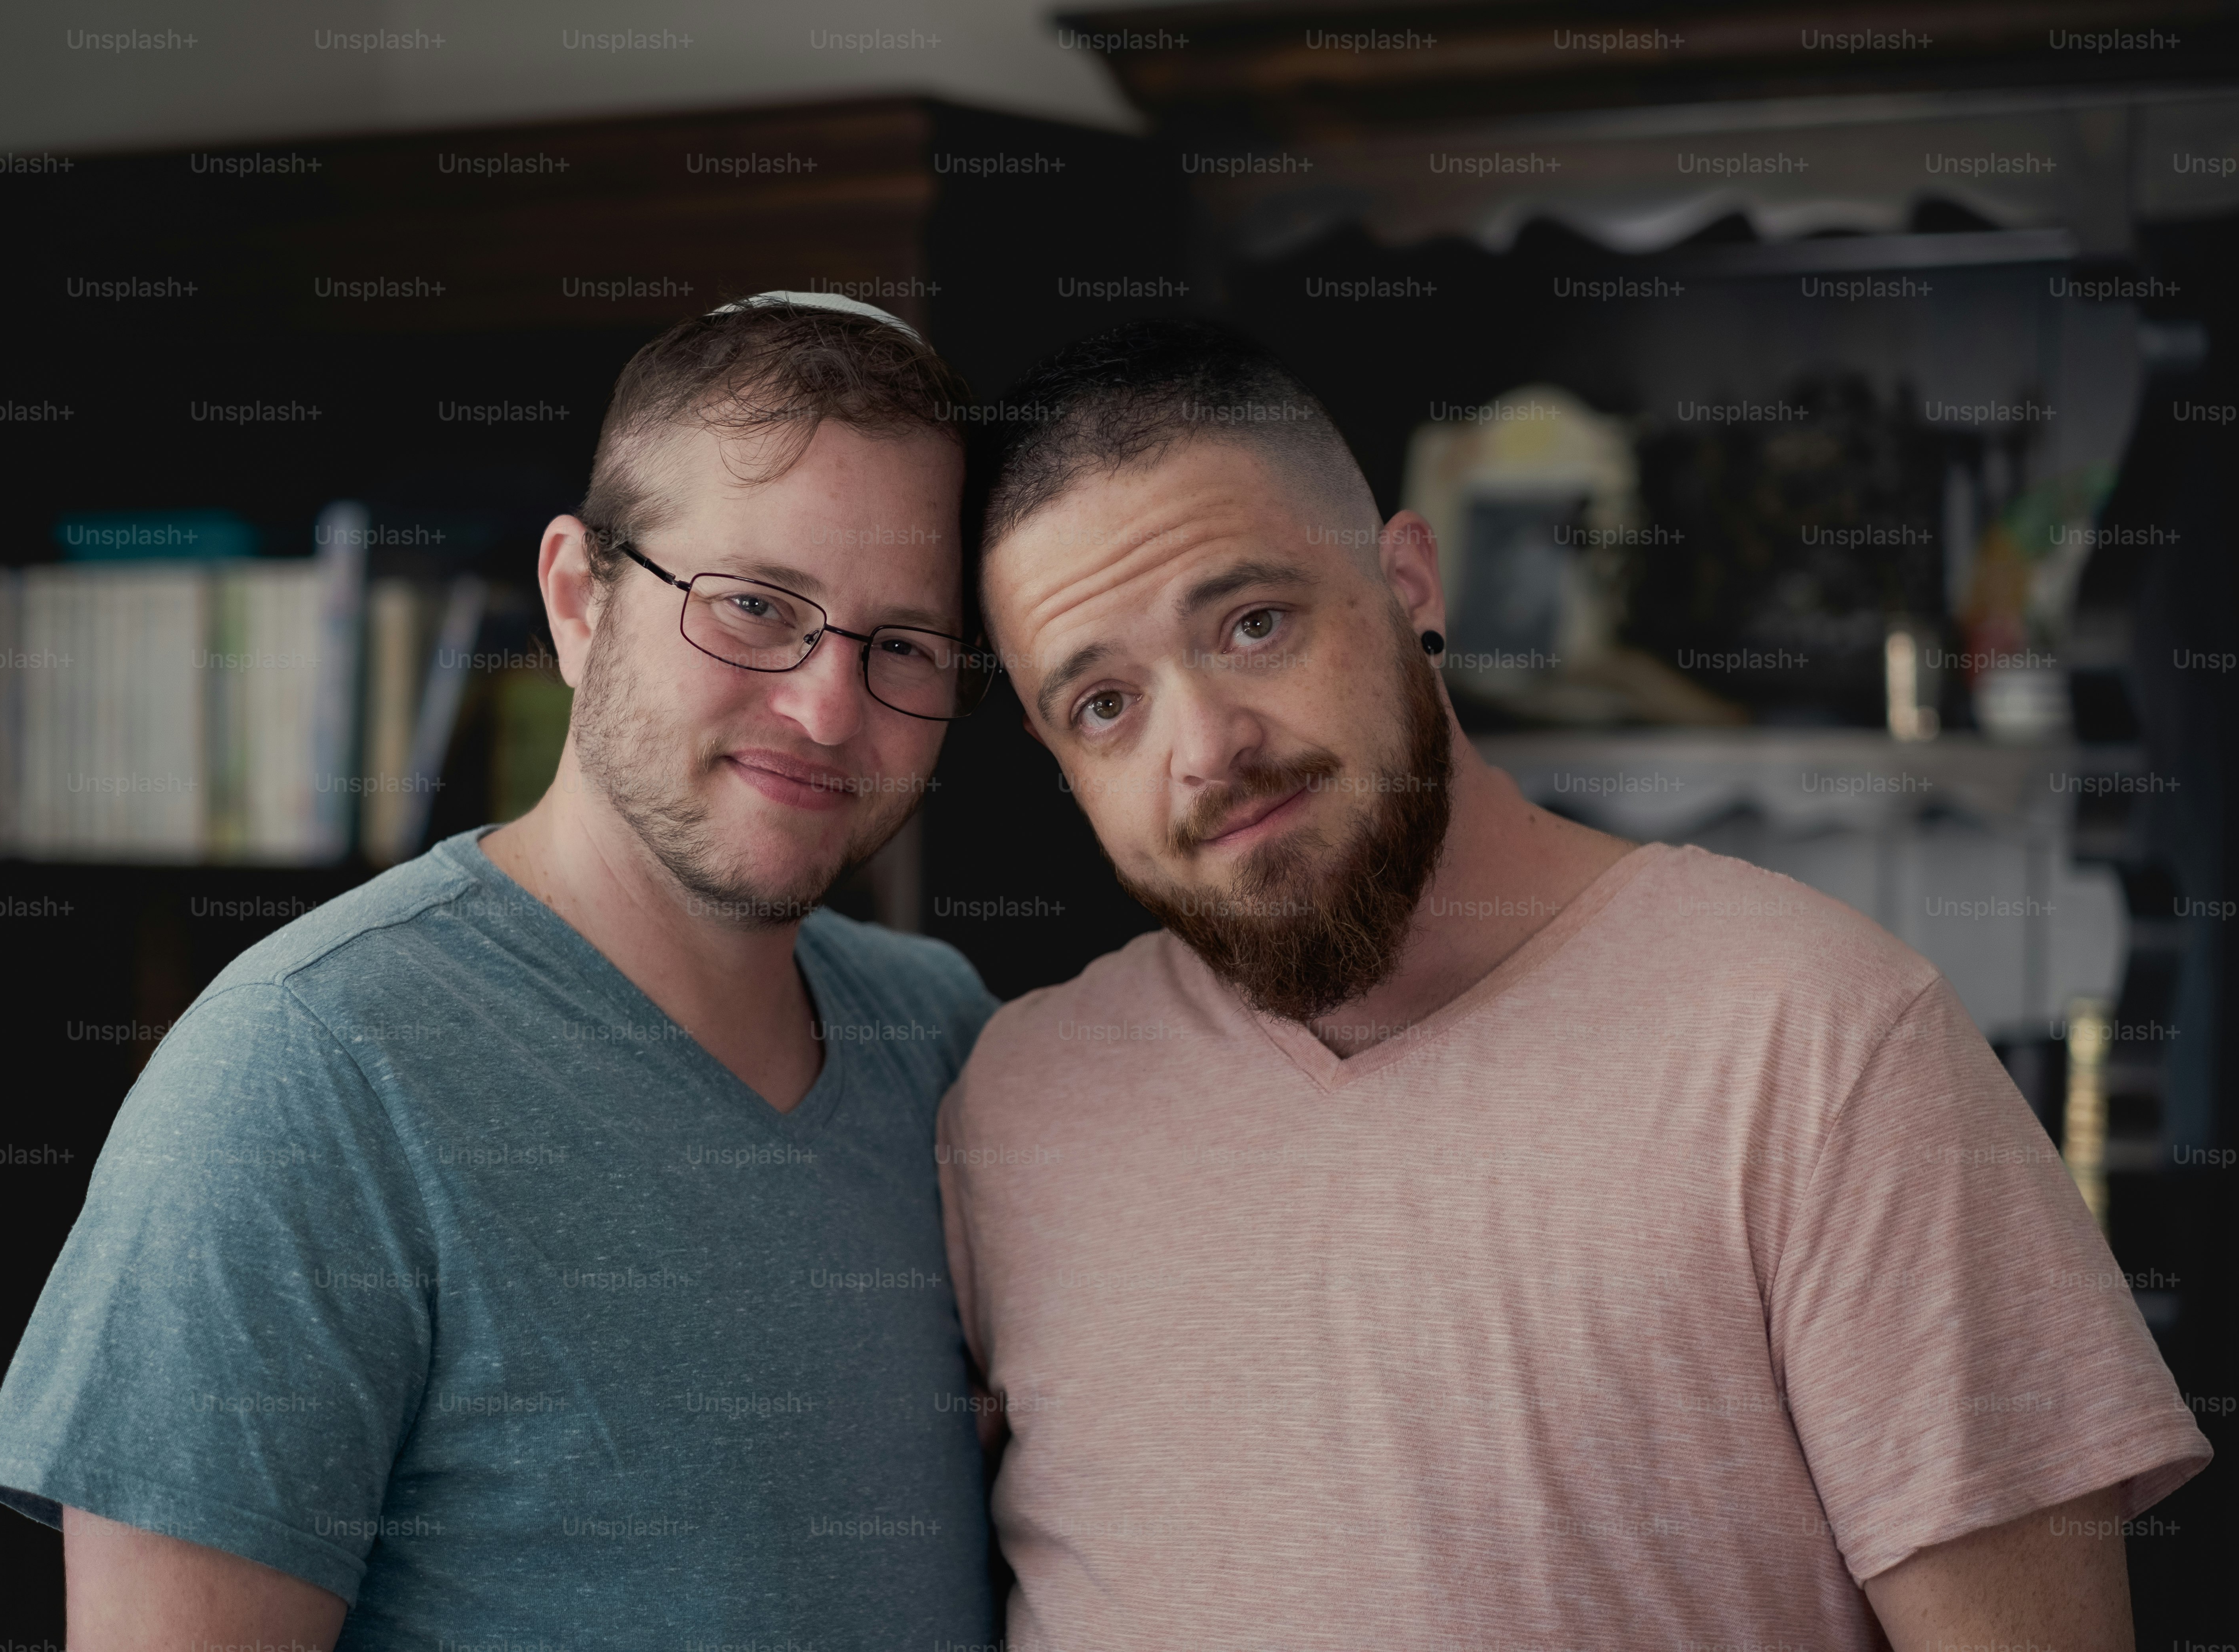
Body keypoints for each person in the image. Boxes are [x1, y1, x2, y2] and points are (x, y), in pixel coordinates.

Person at [938, 318, 2211, 1651]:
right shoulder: (1014, 1107)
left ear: (1412, 588)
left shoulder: (1823, 1045)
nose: (1204, 749)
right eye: (1103, 705)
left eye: (1253, 624)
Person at [0, 293, 1004, 1649]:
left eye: (905, 646)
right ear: (578, 601)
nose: (825, 707)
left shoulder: (949, 1040)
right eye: (754, 605)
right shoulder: (305, 1071)